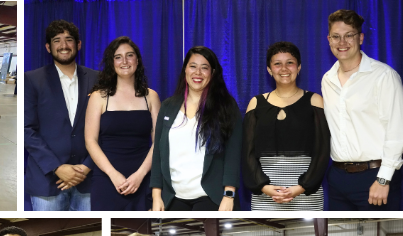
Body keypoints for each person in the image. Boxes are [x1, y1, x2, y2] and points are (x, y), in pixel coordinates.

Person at [321, 9, 403, 211]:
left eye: (349, 35)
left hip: (374, 177)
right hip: (338, 178)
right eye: (336, 37)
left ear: (361, 38)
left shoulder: (383, 76)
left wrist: (383, 179)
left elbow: (396, 131)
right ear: (329, 40)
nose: (342, 42)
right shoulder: (327, 79)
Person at [149, 46, 242, 211]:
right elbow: (158, 155)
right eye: (193, 66)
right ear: (185, 69)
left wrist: (229, 195)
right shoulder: (168, 106)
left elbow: (233, 155)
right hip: (172, 199)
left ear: (212, 73)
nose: (197, 72)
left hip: (211, 198)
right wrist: (157, 196)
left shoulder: (226, 106)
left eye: (204, 67)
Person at [243, 41, 330, 211]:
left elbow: (323, 150)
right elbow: (247, 154)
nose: (284, 68)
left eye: (290, 63)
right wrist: (264, 187)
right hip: (266, 193)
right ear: (269, 69)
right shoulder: (255, 103)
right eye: (277, 64)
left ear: (298, 67)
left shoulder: (315, 100)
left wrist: (301, 187)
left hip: (306, 193)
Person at [24, 20, 98, 211]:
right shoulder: (32, 80)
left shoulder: (97, 80)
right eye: (57, 40)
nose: (64, 46)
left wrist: (85, 167)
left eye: (69, 40)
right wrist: (58, 168)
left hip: (88, 179)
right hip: (47, 181)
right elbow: (27, 130)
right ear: (48, 47)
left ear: (78, 44)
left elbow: (107, 127)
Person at [84, 37, 160, 211]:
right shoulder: (98, 97)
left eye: (129, 55)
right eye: (118, 57)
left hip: (143, 177)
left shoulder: (151, 97)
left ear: (137, 60)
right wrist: (113, 174)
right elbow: (90, 141)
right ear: (112, 63)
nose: (124, 61)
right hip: (106, 179)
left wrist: (140, 175)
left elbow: (159, 142)